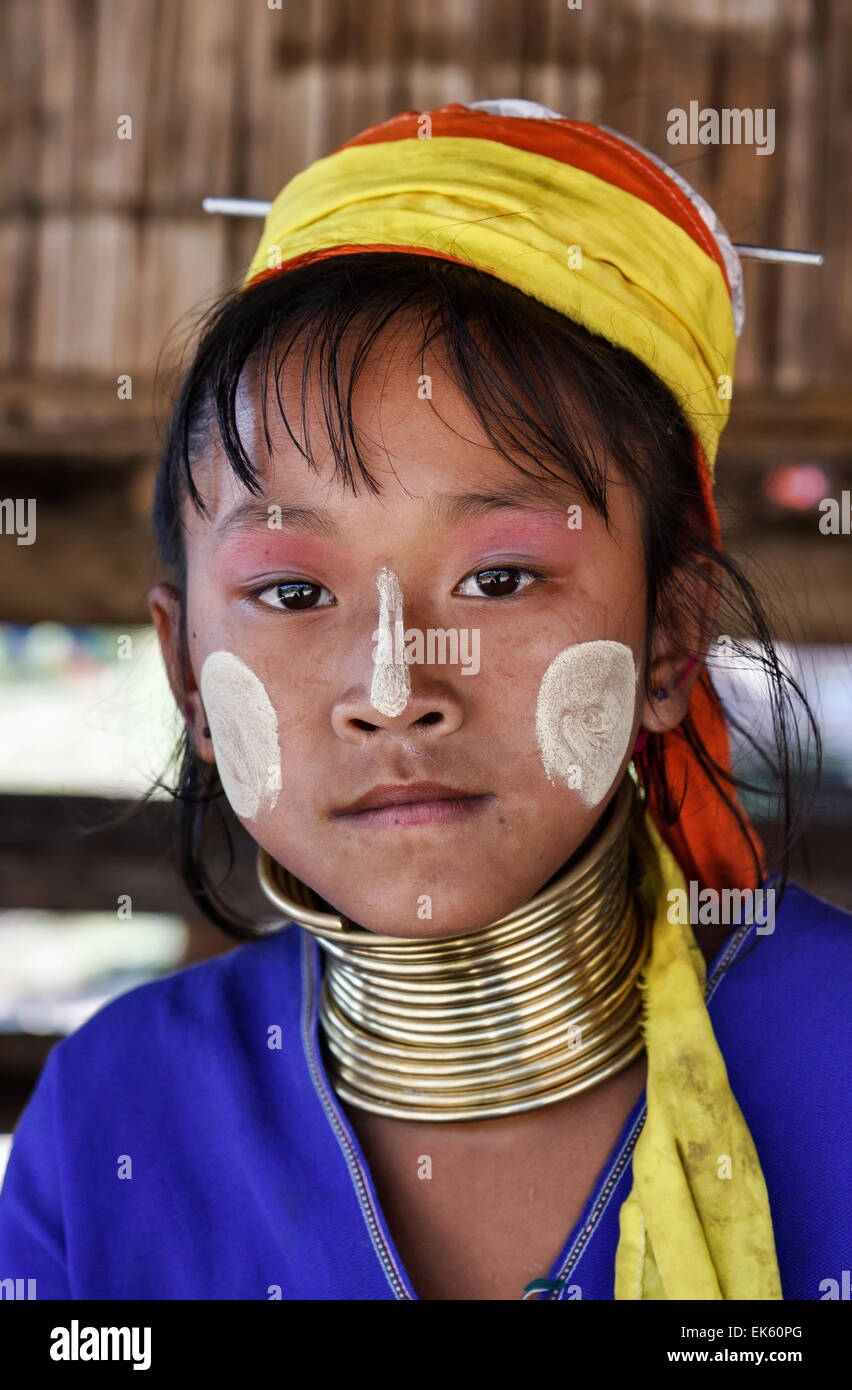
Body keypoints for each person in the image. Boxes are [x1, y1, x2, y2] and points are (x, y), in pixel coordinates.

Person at [1, 100, 849, 1302]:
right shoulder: (111, 1120)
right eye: (294, 589)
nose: (394, 691)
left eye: (500, 578)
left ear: (668, 639)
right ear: (188, 668)